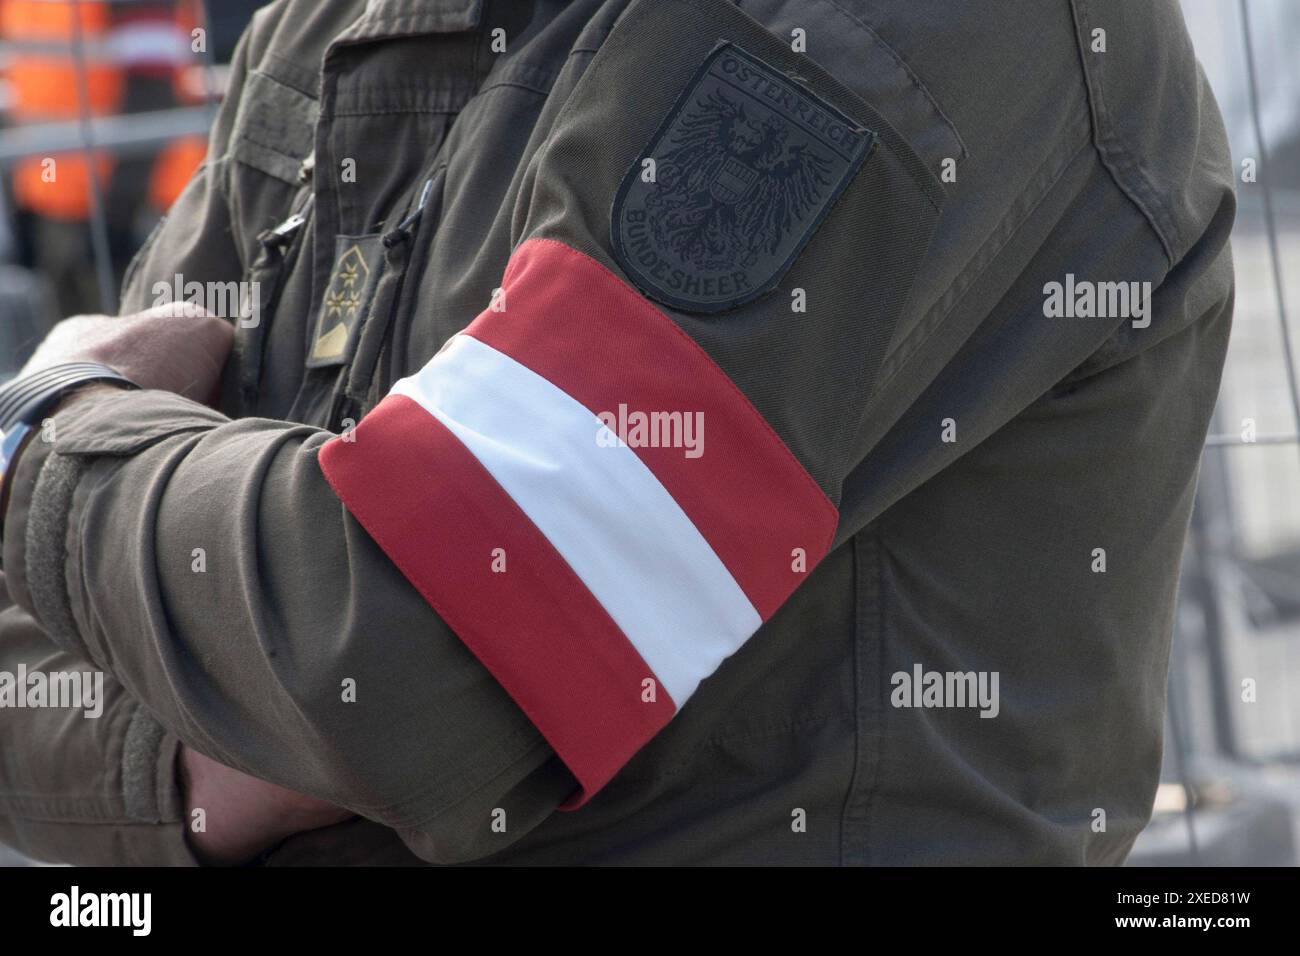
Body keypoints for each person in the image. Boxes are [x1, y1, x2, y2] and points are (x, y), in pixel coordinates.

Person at [0, 0, 1235, 866]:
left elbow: (406, 664)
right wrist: (196, 771)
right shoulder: (332, 24)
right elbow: (27, 657)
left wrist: (43, 443)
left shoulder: (906, 28)